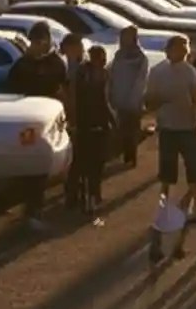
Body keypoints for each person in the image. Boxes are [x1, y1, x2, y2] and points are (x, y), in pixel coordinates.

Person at [146, 35, 196, 248]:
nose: (183, 52)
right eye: (179, 48)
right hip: (168, 128)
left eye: (186, 48)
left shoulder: (190, 71)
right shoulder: (157, 72)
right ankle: (164, 208)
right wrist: (162, 100)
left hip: (188, 127)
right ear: (169, 50)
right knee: (167, 172)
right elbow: (149, 100)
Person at [6, 21, 68, 231]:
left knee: (46, 165)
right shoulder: (22, 65)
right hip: (27, 122)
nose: (37, 45)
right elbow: (11, 90)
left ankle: (34, 209)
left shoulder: (56, 63)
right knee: (29, 165)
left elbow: (64, 89)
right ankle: (30, 210)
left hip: (50, 122)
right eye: (34, 41)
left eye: (41, 41)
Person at [75, 45, 116, 222]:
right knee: (90, 163)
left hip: (94, 124)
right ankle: (89, 196)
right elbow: (102, 101)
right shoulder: (88, 75)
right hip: (89, 124)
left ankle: (91, 195)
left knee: (93, 163)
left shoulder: (97, 74)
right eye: (101, 57)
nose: (104, 61)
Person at [108, 26, 149, 168]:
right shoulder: (119, 55)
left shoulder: (140, 57)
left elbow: (141, 80)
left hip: (133, 101)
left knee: (132, 129)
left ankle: (131, 156)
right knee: (122, 128)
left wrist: (134, 99)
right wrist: (111, 93)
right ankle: (124, 154)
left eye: (126, 37)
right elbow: (112, 74)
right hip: (119, 98)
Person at [60, 34, 87, 208]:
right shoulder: (64, 66)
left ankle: (75, 190)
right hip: (69, 116)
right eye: (77, 47)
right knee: (72, 157)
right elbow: (66, 93)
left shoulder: (80, 66)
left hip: (80, 115)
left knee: (79, 156)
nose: (80, 50)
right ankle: (71, 191)